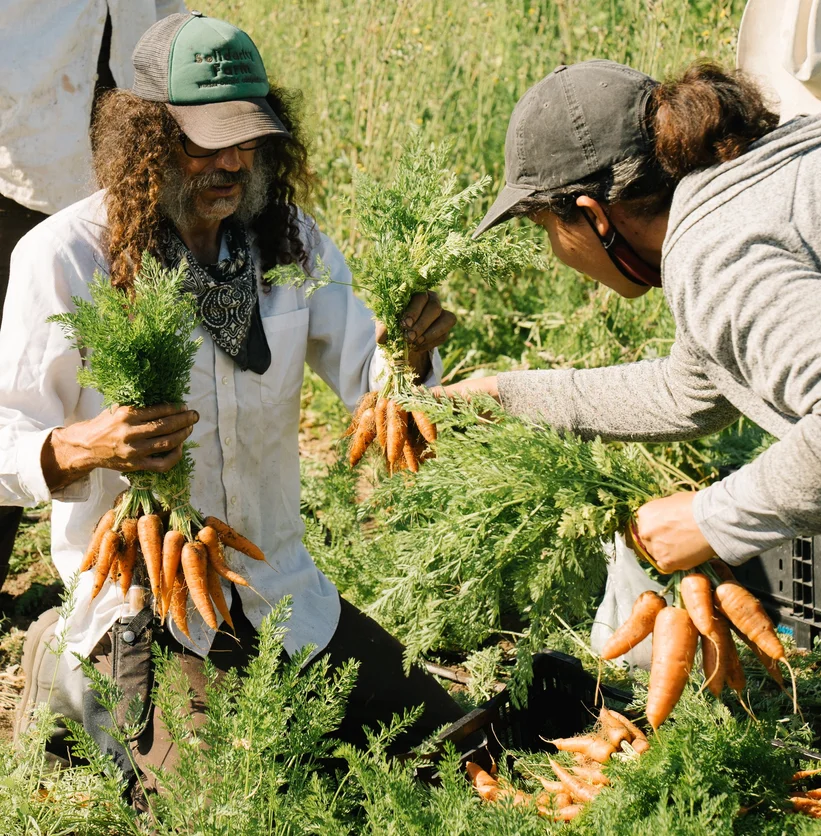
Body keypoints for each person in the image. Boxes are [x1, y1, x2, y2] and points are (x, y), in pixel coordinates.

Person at [449, 41, 821, 836]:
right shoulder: (754, 188)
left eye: (545, 227)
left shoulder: (716, 250)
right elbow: (692, 386)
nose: (555, 253)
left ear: (592, 214)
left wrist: (710, 517)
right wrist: (503, 396)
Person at [4, 12, 463, 796]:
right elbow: (9, 429)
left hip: (282, 590)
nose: (231, 163)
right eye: (204, 142)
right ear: (147, 135)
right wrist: (81, 446)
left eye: (247, 140)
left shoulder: (288, 244)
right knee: (229, 799)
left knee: (445, 743)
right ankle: (68, 667)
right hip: (144, 599)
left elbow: (374, 382)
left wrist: (408, 356)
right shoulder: (65, 256)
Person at [0, 0, 187, 591]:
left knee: (119, 373)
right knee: (11, 390)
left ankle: (126, 573)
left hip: (126, 151)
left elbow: (165, 13)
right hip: (18, 152)